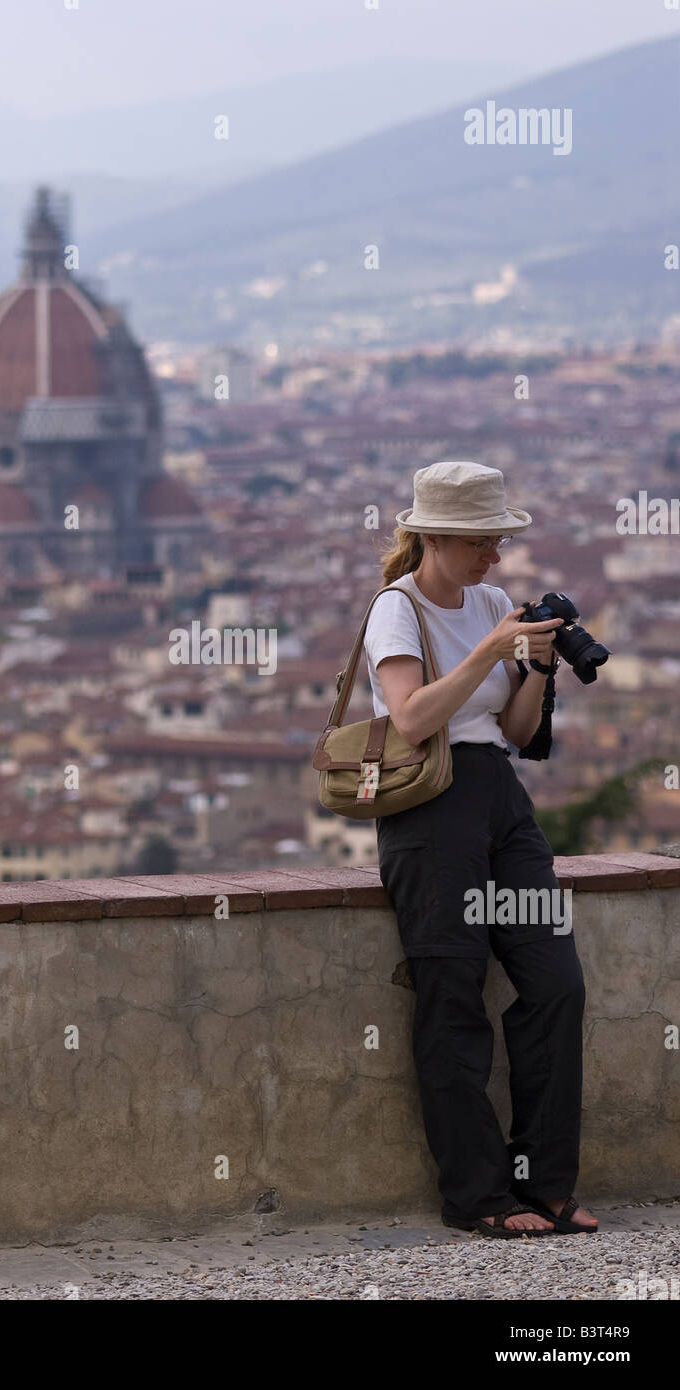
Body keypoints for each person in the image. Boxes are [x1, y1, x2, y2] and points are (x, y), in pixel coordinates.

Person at [364, 461, 598, 1239]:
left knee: (556, 983)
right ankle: (478, 1196)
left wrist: (532, 666)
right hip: (430, 811)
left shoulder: (494, 602)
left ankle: (542, 1183)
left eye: (496, 540)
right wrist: (484, 651)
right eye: (478, 541)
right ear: (432, 535)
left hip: (500, 801)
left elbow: (520, 734)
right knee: (452, 999)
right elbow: (409, 720)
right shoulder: (396, 612)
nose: (492, 557)